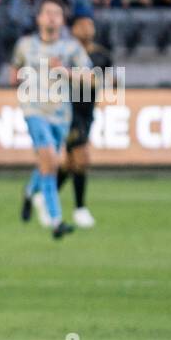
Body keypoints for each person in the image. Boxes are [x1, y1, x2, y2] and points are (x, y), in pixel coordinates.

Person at [11, 0, 92, 237]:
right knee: (49, 160)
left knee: (51, 162)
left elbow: (89, 79)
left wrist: (66, 72)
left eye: (56, 13)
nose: (51, 17)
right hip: (34, 111)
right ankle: (56, 221)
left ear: (62, 20)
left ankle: (28, 193)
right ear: (39, 18)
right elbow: (14, 69)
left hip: (61, 115)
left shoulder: (72, 49)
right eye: (47, 13)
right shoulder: (25, 45)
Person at [59, 15, 111, 228]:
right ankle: (80, 209)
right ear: (73, 30)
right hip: (67, 110)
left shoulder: (102, 54)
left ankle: (43, 193)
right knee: (82, 157)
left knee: (71, 162)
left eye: (90, 23)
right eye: (81, 24)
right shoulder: (64, 52)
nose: (87, 28)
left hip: (87, 111)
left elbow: (98, 80)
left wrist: (71, 75)